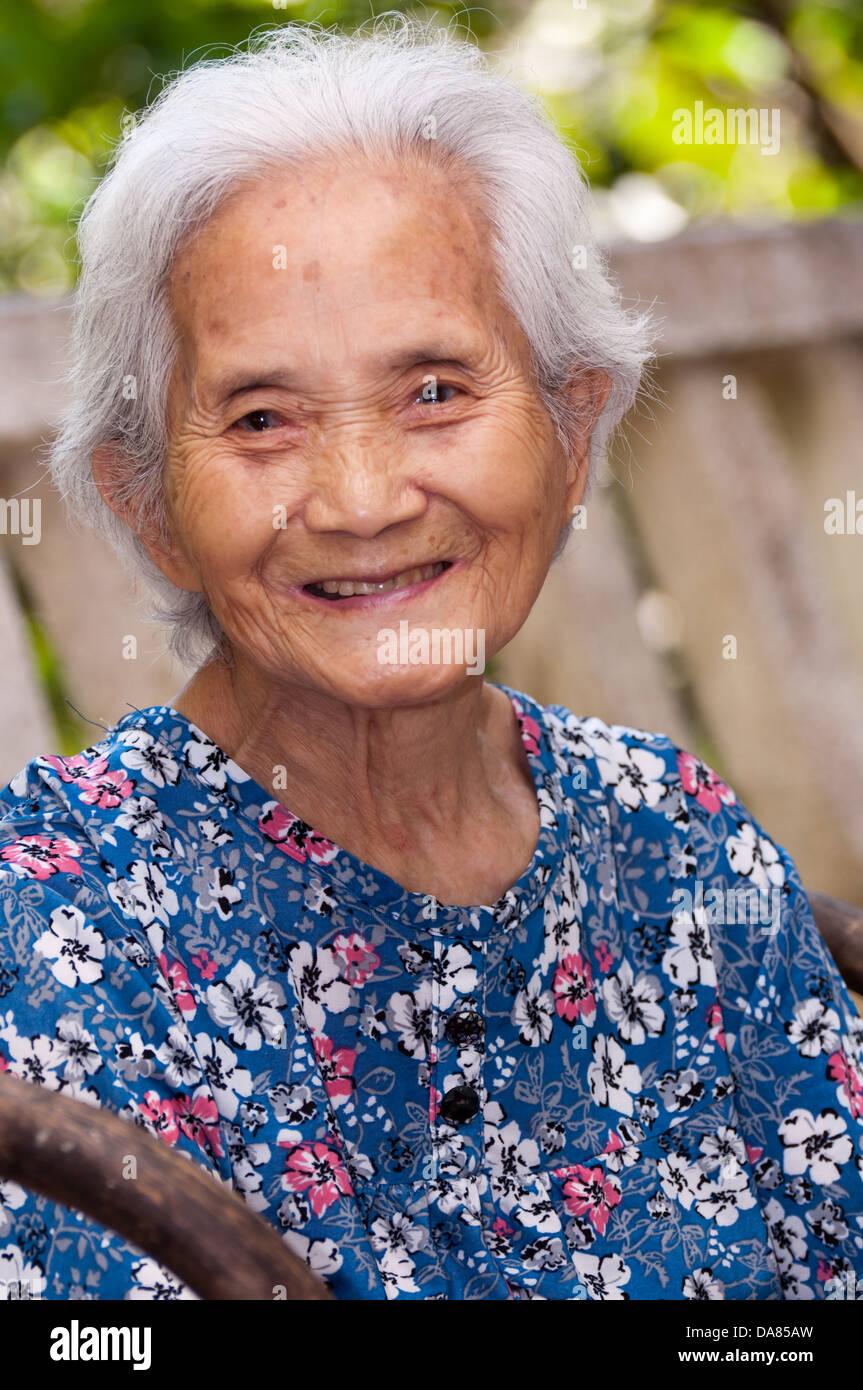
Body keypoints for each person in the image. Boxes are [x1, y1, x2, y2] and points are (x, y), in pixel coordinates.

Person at [1, 17, 861, 1301]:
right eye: (260, 418)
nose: (358, 500)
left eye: (434, 392)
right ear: (144, 503)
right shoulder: (50, 926)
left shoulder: (675, 842)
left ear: (571, 434)